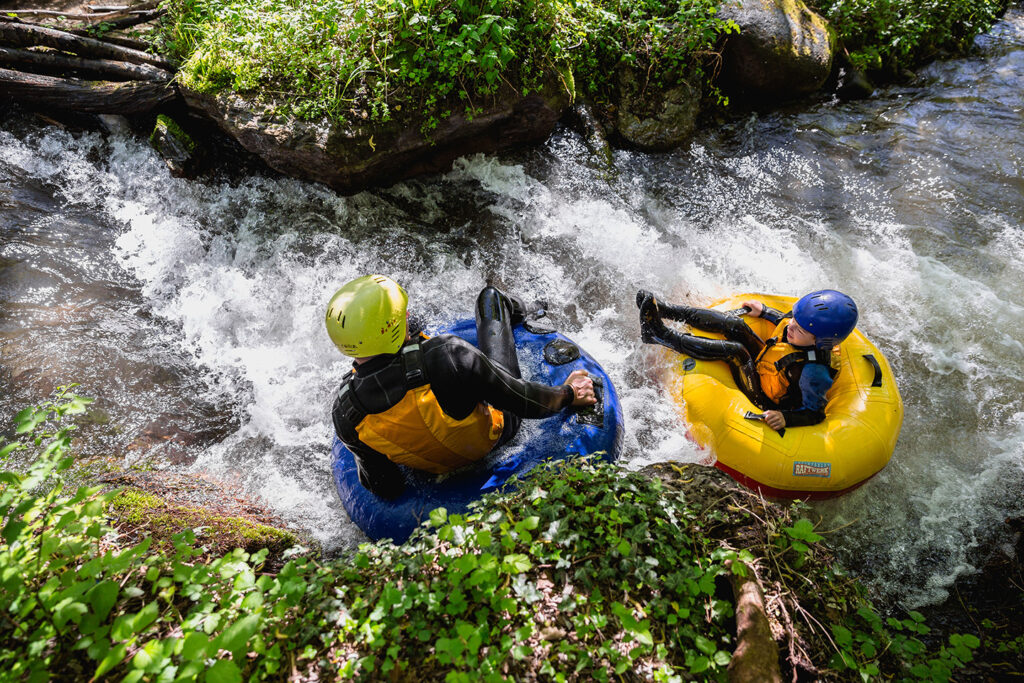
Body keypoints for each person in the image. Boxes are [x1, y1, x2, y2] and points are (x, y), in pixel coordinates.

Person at [327, 275, 597, 499]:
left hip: (433, 466)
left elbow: (386, 487)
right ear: (393, 327)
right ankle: (533, 308)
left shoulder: (345, 414)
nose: (407, 315)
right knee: (490, 298)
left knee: (417, 330)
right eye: (402, 316)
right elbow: (523, 401)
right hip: (495, 436)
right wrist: (569, 393)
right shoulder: (448, 355)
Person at [637, 289, 858, 430]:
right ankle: (667, 310)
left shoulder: (813, 372)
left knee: (737, 352)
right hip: (768, 364)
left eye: (799, 329)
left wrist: (786, 418)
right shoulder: (801, 327)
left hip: (766, 397)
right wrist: (765, 312)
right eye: (795, 320)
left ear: (819, 342)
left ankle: (661, 335)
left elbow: (814, 413)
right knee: (735, 324)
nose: (791, 327)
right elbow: (784, 320)